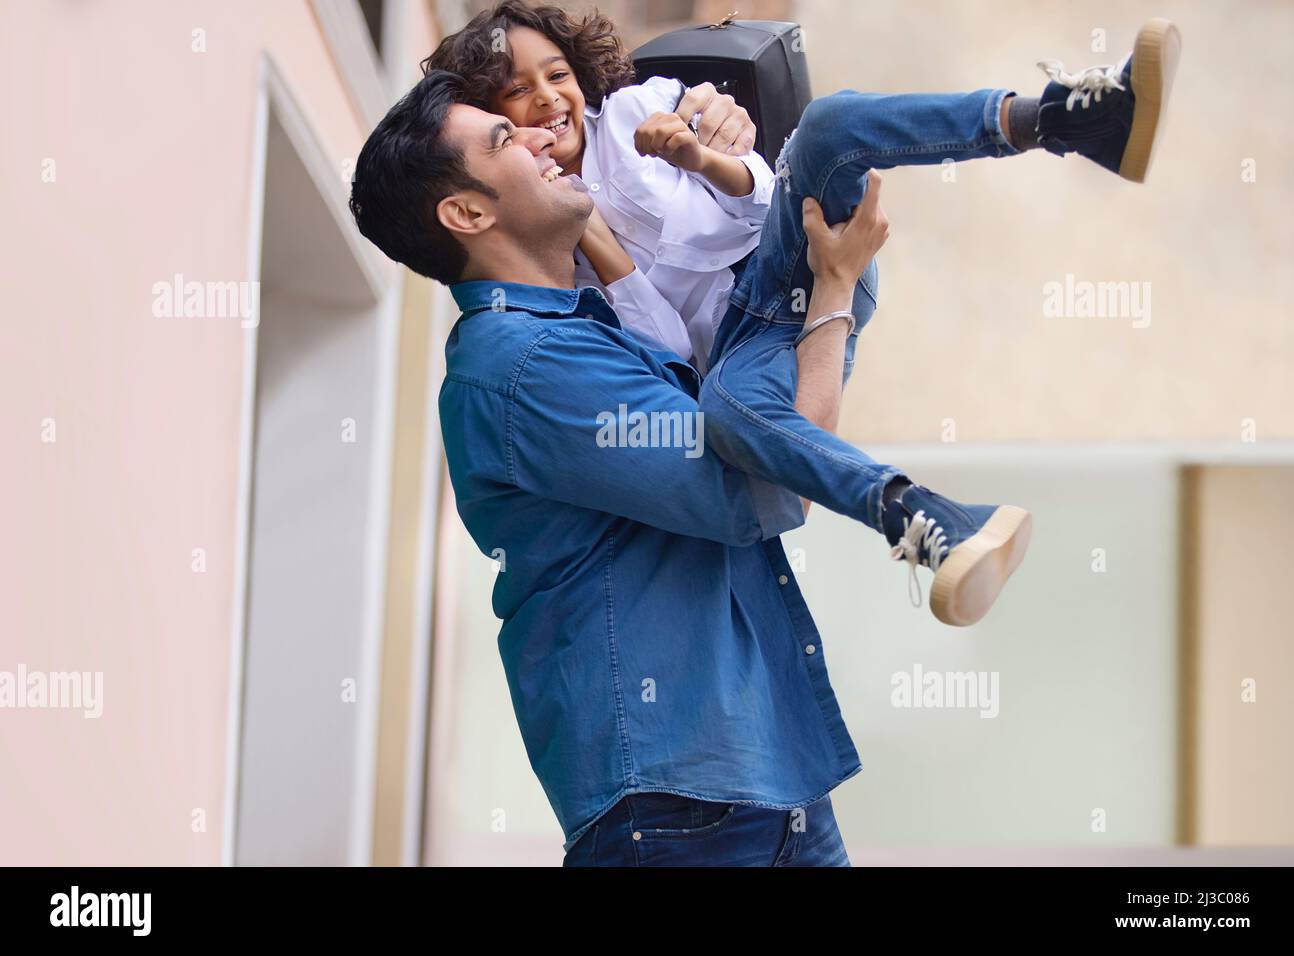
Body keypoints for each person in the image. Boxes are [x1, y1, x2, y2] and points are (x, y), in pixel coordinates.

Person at [423, 3, 1183, 624]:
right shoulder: (560, 248)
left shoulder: (633, 112)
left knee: (827, 126)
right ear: (499, 125)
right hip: (749, 341)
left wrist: (695, 157)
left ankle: (1066, 119)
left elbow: (758, 192)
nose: (548, 97)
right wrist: (597, 237)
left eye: (556, 74)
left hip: (788, 254)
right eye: (516, 94)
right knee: (724, 411)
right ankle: (930, 522)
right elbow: (671, 356)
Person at [349, 69, 890, 864]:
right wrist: (833, 289)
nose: (542, 133)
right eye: (506, 138)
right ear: (466, 212)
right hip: (680, 808)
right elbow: (763, 486)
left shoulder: (585, 325)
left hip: (755, 779)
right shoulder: (529, 364)